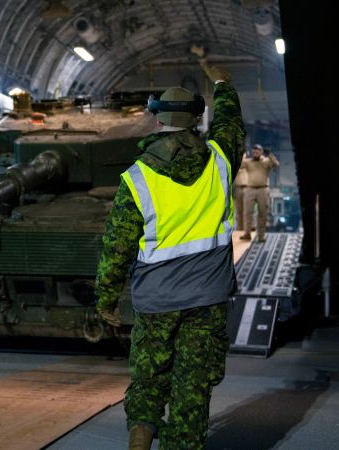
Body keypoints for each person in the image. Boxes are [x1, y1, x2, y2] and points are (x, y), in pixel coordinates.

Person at [95, 49, 245, 450]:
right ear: (197, 119)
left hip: (156, 302)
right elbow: (231, 121)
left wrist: (106, 298)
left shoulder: (137, 178)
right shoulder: (221, 161)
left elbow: (116, 247)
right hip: (208, 300)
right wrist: (222, 84)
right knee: (190, 391)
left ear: (156, 117)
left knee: (148, 381)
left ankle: (140, 440)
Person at [239, 144, 279, 242]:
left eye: (258, 151)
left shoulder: (266, 161)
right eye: (254, 151)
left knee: (262, 213)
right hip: (250, 189)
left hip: (263, 189)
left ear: (261, 152)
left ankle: (261, 236)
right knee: (248, 212)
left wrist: (270, 155)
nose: (256, 153)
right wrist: (241, 153)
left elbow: (275, 164)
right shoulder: (248, 162)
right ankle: (247, 233)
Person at [234, 158, 249, 231]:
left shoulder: (249, 164)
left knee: (248, 210)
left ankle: (248, 228)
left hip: (247, 188)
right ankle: (240, 228)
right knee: (239, 210)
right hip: (238, 188)